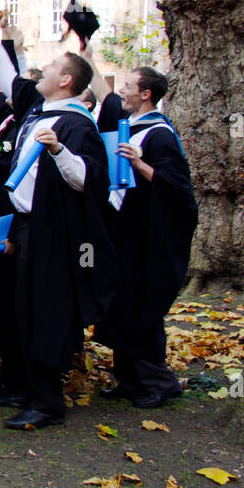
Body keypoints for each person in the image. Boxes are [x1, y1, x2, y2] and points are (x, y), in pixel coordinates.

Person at [0, 2, 116, 429]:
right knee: (24, 310)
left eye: (51, 66)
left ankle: (48, 400)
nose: (42, 69)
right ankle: (27, 387)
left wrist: (58, 150)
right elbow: (6, 75)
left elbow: (89, 181)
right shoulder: (36, 111)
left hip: (60, 236)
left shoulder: (78, 126)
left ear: (66, 80)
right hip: (28, 228)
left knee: (48, 312)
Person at [92, 63, 196, 408]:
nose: (122, 90)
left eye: (128, 86)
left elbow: (178, 189)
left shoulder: (160, 135)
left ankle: (160, 382)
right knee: (122, 304)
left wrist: (140, 166)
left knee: (143, 308)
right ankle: (129, 379)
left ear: (146, 94)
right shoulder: (130, 128)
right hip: (126, 234)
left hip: (149, 238)